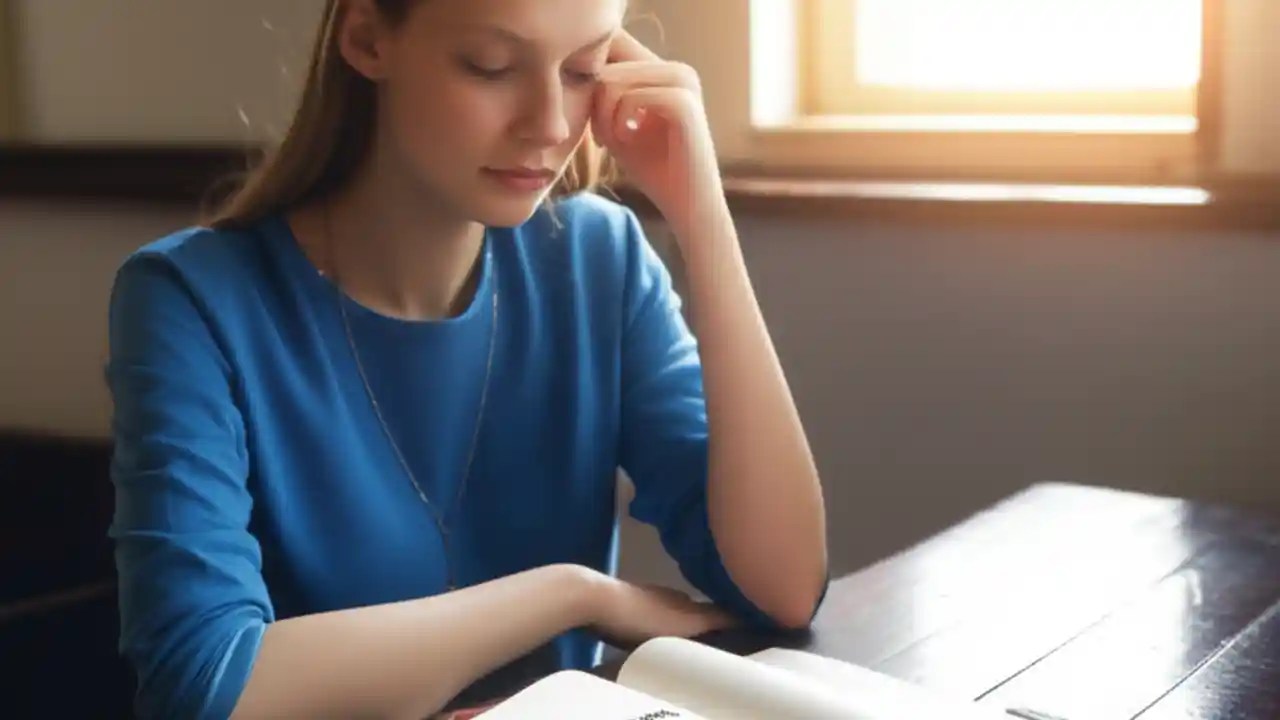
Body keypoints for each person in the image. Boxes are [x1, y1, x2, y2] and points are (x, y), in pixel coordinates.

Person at [104, 0, 829, 717]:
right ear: (365, 38)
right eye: (492, 65)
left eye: (583, 69)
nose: (550, 125)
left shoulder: (597, 259)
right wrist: (571, 596)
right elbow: (203, 686)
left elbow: (782, 586)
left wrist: (699, 211)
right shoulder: (190, 298)